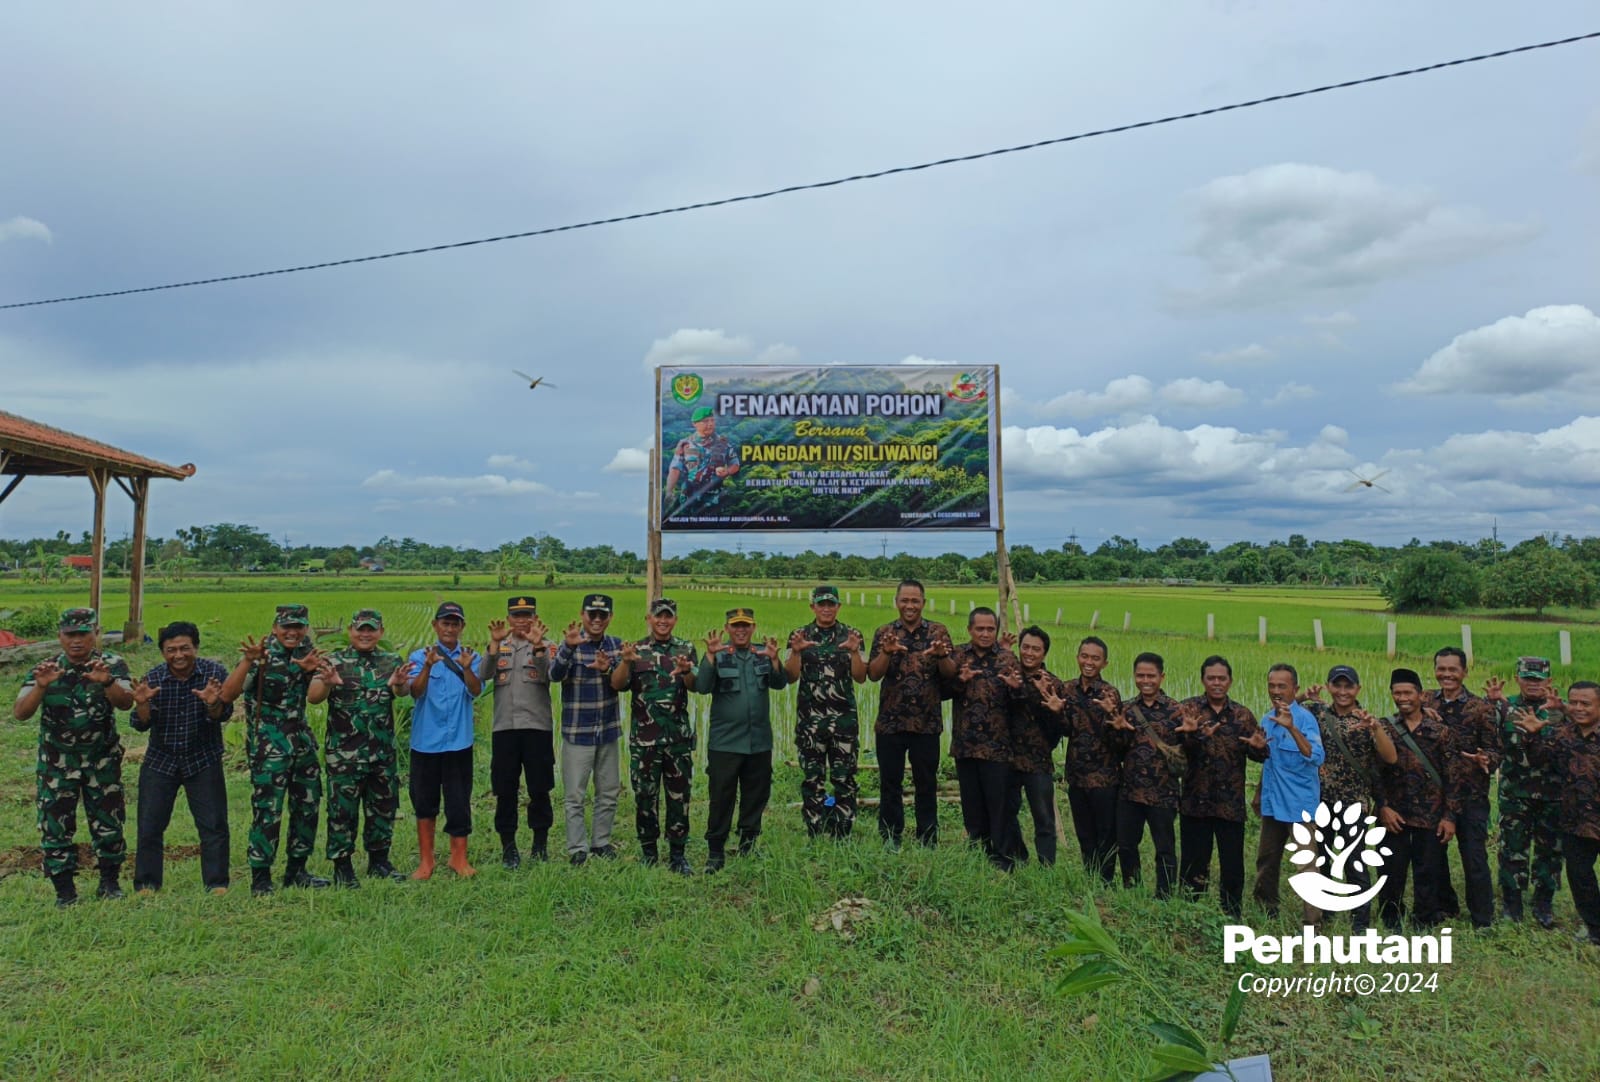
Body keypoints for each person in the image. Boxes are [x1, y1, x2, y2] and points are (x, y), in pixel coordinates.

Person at [13, 607, 133, 907]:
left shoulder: (112, 664)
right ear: (60, 636)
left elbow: (126, 703)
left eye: (83, 633)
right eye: (70, 635)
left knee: (108, 822)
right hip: (58, 764)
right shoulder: (45, 668)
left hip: (101, 761)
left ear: (96, 633)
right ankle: (65, 892)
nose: (76, 641)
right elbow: (21, 713)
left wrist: (107, 683)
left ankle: (109, 883)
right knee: (55, 825)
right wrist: (41, 686)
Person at [218, 603, 332, 896]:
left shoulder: (307, 650)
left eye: (298, 627)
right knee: (268, 809)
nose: (292, 632)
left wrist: (319, 675)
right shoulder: (261, 654)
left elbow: (314, 696)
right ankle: (261, 876)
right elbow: (227, 695)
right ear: (274, 628)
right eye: (286, 627)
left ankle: (297, 870)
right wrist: (248, 660)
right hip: (269, 745)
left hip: (301, 742)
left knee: (307, 805)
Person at [128, 620, 231, 895]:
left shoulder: (214, 673)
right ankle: (147, 884)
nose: (178, 655)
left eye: (185, 648)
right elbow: (141, 724)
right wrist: (142, 704)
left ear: (195, 647)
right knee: (150, 825)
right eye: (171, 650)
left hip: (203, 758)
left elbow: (222, 715)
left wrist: (212, 703)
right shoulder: (154, 678)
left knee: (213, 824)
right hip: (161, 760)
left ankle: (217, 883)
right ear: (163, 652)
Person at [309, 609, 411, 887]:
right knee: (342, 812)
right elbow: (314, 697)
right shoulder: (333, 661)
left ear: (380, 632)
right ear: (351, 631)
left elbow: (401, 692)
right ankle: (342, 866)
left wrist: (400, 685)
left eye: (371, 629)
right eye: (360, 629)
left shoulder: (391, 660)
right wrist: (327, 684)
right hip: (344, 755)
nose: (365, 634)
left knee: (383, 809)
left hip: (381, 752)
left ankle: (379, 861)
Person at [1300, 664, 1397, 932]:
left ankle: (1360, 922)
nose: (1343, 691)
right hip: (1321, 801)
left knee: (1354, 861)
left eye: (1348, 686)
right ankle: (1327, 910)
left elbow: (1390, 758)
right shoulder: (1317, 713)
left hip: (1354, 803)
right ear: (1328, 687)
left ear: (1358, 689)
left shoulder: (1367, 720)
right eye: (1337, 685)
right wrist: (1303, 696)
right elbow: (1284, 710)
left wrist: (1375, 729)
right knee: (1323, 859)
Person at [694, 608, 788, 871]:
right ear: (727, 628)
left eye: (745, 625)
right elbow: (702, 687)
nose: (741, 630)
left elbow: (780, 683)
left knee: (755, 795)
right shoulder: (718, 653)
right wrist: (710, 656)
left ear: (753, 627)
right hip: (725, 743)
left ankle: (748, 844)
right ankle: (715, 851)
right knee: (721, 797)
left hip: (759, 741)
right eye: (736, 626)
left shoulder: (762, 654)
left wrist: (775, 660)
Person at [611, 598, 699, 874]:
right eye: (658, 616)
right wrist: (625, 662)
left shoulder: (686, 648)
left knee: (679, 798)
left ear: (675, 619)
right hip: (645, 741)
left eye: (668, 616)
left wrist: (687, 671)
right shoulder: (635, 650)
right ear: (648, 618)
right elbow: (617, 684)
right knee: (645, 797)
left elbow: (695, 686)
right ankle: (648, 852)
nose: (663, 621)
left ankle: (677, 855)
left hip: (677, 740)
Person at [868, 580, 956, 848]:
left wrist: (941, 656)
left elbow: (951, 675)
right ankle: (890, 836)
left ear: (923, 603)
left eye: (915, 601)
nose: (910, 606)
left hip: (926, 723)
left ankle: (927, 837)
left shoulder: (938, 632)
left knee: (926, 783)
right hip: (890, 722)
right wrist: (886, 652)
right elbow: (873, 674)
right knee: (890, 783)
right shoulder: (884, 632)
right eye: (905, 600)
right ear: (896, 602)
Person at [1177, 655, 1265, 917]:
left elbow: (1259, 754)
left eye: (1221, 678)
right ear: (1203, 680)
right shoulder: (1189, 709)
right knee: (1193, 862)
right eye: (1211, 678)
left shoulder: (1242, 715)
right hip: (1195, 801)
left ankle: (1232, 914)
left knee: (1232, 864)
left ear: (1230, 681)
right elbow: (1179, 748)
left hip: (1230, 804)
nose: (1216, 683)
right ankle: (1191, 913)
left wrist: (1259, 748)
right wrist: (1193, 735)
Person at [1514, 682, 1600, 947]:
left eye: (1585, 703)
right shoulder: (1563, 734)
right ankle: (1595, 928)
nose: (1578, 708)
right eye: (1573, 702)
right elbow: (1539, 759)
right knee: (1580, 875)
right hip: (1576, 821)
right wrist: (1533, 735)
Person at [1376, 668, 1460, 931]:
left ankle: (1425, 918)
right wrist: (1382, 807)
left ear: (1421, 695)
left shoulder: (1440, 732)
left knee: (1428, 870)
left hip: (1430, 813)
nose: (1403, 698)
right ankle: (1390, 918)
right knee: (1390, 869)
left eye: (1408, 693)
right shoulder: (1384, 728)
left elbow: (1453, 778)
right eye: (1397, 693)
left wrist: (1449, 817)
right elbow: (1375, 773)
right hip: (1394, 813)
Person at [405, 601, 482, 879]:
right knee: (424, 803)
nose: (450, 628)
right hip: (425, 743)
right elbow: (415, 692)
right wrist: (427, 667)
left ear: (462, 627)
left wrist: (467, 669)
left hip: (458, 743)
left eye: (455, 623)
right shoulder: (418, 656)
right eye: (445, 623)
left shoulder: (471, 656)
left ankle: (458, 859)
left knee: (459, 802)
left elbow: (476, 691)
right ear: (435, 625)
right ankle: (426, 862)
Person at [783, 585, 867, 839]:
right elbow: (790, 676)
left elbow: (861, 677)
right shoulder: (799, 635)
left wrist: (854, 651)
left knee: (844, 778)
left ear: (838, 606)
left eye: (831, 604)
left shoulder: (853, 635)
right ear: (813, 607)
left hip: (843, 722)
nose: (827, 609)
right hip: (810, 722)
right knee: (813, 778)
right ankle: (815, 829)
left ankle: (843, 830)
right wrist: (796, 651)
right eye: (822, 604)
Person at [1486, 657, 1564, 926]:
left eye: (1538, 679)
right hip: (1515, 793)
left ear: (1548, 680)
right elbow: (1486, 733)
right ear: (1517, 678)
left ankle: (1544, 902)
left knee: (1550, 851)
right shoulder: (1504, 706)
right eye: (1528, 678)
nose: (1533, 684)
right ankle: (1512, 902)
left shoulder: (1560, 709)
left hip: (1553, 794)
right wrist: (1489, 703)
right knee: (1512, 849)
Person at [480, 596, 557, 869]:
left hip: (537, 728)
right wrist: (493, 645)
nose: (522, 620)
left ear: (535, 618)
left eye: (527, 615)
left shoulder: (547, 645)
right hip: (505, 729)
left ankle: (540, 845)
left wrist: (538, 647)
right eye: (516, 615)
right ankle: (509, 847)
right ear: (508, 618)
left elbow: (550, 675)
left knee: (540, 789)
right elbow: (483, 674)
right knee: (505, 790)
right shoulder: (498, 646)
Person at [1426, 647, 1500, 930]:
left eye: (1452, 669)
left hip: (1471, 795)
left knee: (1474, 857)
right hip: (1435, 795)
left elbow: (1495, 751)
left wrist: (1485, 759)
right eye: (1441, 669)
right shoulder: (1425, 700)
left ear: (1464, 672)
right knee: (1435, 855)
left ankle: (1482, 917)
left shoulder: (1481, 709)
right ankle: (1445, 906)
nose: (1446, 674)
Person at [549, 593, 624, 865]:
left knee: (609, 791)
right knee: (575, 795)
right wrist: (567, 649)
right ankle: (577, 848)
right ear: (583, 615)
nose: (597, 619)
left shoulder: (616, 645)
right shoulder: (571, 643)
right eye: (592, 614)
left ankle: (601, 842)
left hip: (608, 730)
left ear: (610, 617)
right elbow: (554, 675)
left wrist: (609, 668)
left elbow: (622, 683)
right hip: (578, 732)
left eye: (602, 615)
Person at [947, 608, 1025, 871]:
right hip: (965, 745)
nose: (985, 633)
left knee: (999, 805)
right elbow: (942, 691)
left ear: (996, 631)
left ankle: (1003, 857)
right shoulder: (958, 655)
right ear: (970, 629)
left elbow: (1020, 703)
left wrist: (1016, 689)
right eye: (979, 628)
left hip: (997, 747)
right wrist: (960, 680)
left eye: (990, 629)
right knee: (972, 804)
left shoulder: (1007, 658)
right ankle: (978, 852)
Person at [1250, 664, 1326, 924]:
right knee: (1267, 860)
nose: (1276, 691)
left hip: (1299, 806)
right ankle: (1266, 912)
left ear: (1295, 688)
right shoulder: (1266, 719)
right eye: (1272, 685)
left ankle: (1313, 922)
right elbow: (1269, 761)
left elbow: (1316, 756)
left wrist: (1293, 729)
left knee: (1306, 865)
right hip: (1272, 803)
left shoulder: (1305, 719)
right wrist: (1259, 793)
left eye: (1282, 686)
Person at [1106, 652, 1184, 898]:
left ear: (1162, 677)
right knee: (1127, 845)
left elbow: (1188, 750)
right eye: (1141, 675)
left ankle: (1165, 894)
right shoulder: (1126, 709)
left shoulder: (1176, 711)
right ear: (1134, 676)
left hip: (1163, 792)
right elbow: (1116, 750)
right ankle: (1133, 889)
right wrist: (1118, 730)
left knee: (1165, 847)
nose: (1146, 680)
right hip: (1130, 791)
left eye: (1151, 676)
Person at [1061, 636, 1123, 884]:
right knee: (1084, 832)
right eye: (1085, 656)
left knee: (1106, 832)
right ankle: (1091, 877)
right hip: (1077, 774)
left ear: (1104, 663)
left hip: (1104, 776)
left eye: (1095, 658)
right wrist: (1055, 712)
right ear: (1078, 657)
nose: (1089, 662)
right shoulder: (1067, 689)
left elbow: (1118, 739)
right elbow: (1064, 729)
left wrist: (1112, 714)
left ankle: (1106, 880)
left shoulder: (1110, 693)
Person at [1010, 626, 1066, 867]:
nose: (1029, 653)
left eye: (1036, 649)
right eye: (1025, 647)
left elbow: (1060, 729)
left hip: (1039, 760)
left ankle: (1047, 866)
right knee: (1006, 813)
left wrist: (1051, 708)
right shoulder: (1009, 676)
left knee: (1044, 817)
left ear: (1044, 653)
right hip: (1008, 758)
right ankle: (1017, 859)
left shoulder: (1053, 684)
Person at [663, 405, 740, 515]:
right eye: (705, 421)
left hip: (715, 498)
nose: (710, 424)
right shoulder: (684, 444)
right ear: (694, 424)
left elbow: (735, 464)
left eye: (712, 420)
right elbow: (675, 469)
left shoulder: (723, 443)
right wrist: (669, 492)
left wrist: (727, 471)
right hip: (689, 497)